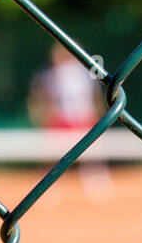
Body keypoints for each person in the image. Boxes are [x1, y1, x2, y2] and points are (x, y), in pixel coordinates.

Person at [28, 44, 112, 201]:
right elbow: (46, 98)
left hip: (83, 118)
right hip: (62, 119)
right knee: (52, 154)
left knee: (92, 152)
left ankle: (96, 180)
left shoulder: (84, 73)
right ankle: (46, 187)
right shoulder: (51, 75)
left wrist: (96, 113)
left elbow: (92, 96)